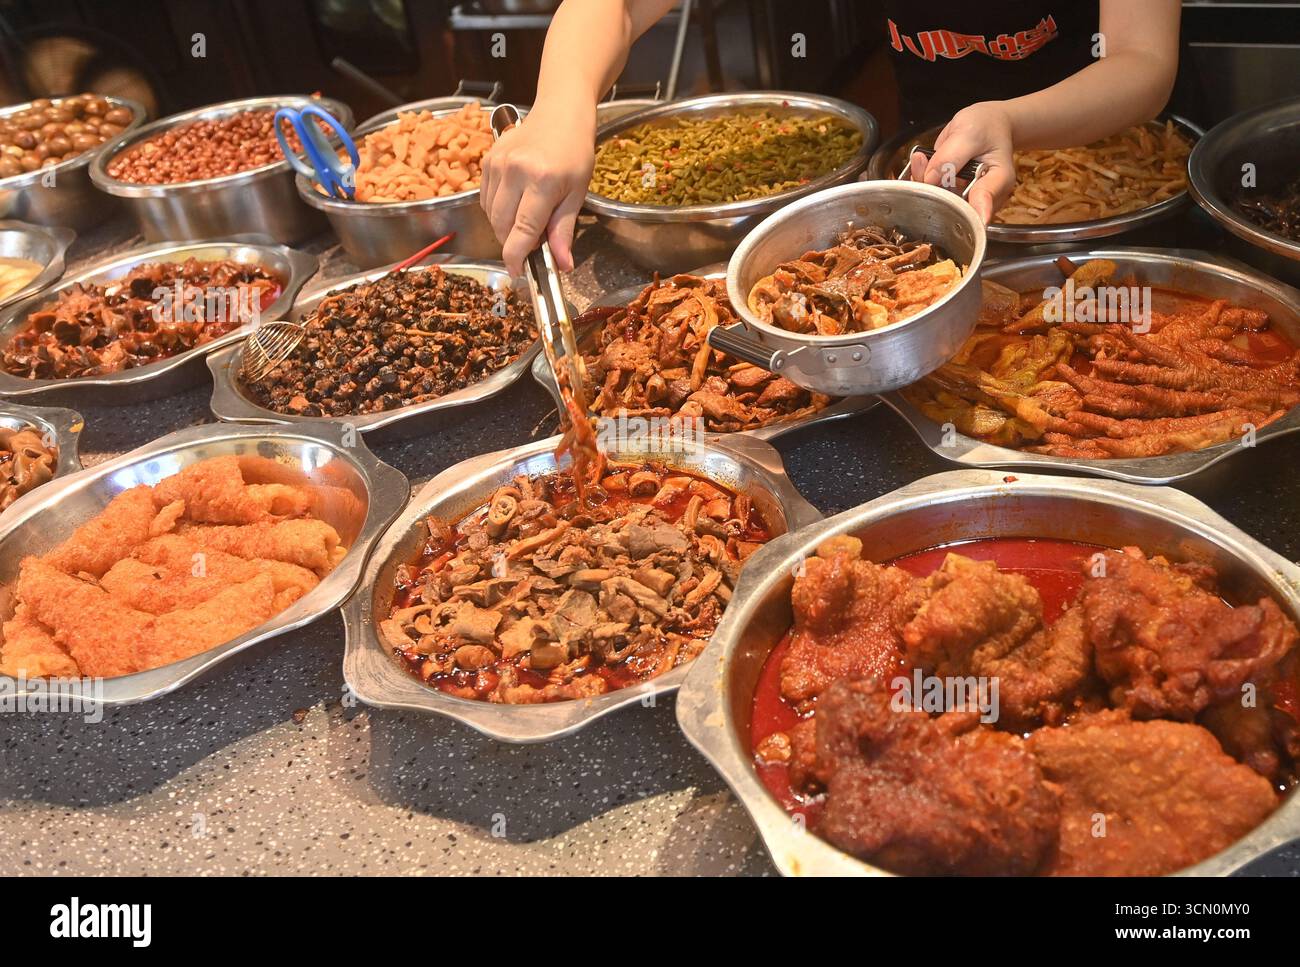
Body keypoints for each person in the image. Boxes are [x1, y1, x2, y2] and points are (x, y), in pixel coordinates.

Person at [480, 0, 1181, 275]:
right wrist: (563, 105)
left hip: (1113, 169)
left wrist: (1015, 121)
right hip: (933, 163)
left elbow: (1142, 62)